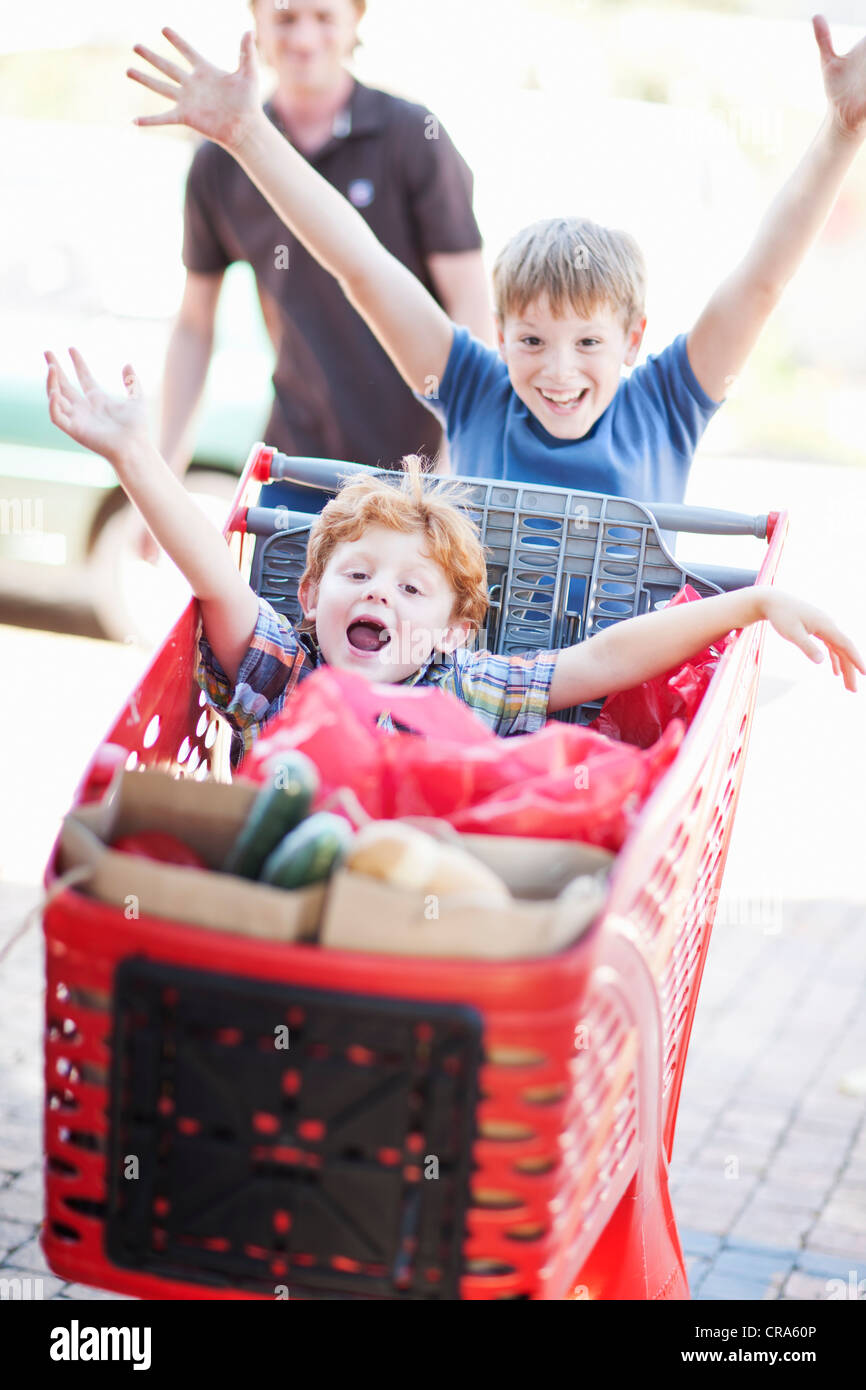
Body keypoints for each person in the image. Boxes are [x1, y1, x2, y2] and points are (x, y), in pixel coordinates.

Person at [127, 17, 866, 510]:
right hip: (481, 711)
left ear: (634, 340)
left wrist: (839, 131)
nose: (559, 370)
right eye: (534, 341)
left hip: (609, 729)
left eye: (588, 343)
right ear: (501, 334)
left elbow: (762, 283)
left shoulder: (666, 404)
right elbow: (360, 263)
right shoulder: (477, 393)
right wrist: (246, 132)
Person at [44, 348, 863, 771]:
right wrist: (132, 455)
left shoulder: (467, 687)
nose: (380, 596)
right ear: (308, 592)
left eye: (411, 588)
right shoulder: (284, 673)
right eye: (357, 576)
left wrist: (752, 603)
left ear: (456, 631)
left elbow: (603, 657)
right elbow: (215, 576)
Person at [138, 0, 492, 559]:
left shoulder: (411, 137)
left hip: (416, 475)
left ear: (357, 20)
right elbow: (193, 326)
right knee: (279, 639)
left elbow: (471, 305)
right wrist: (161, 476)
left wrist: (458, 463)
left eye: (324, 17)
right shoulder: (221, 160)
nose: (303, 38)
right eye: (285, 17)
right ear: (256, 22)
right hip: (298, 465)